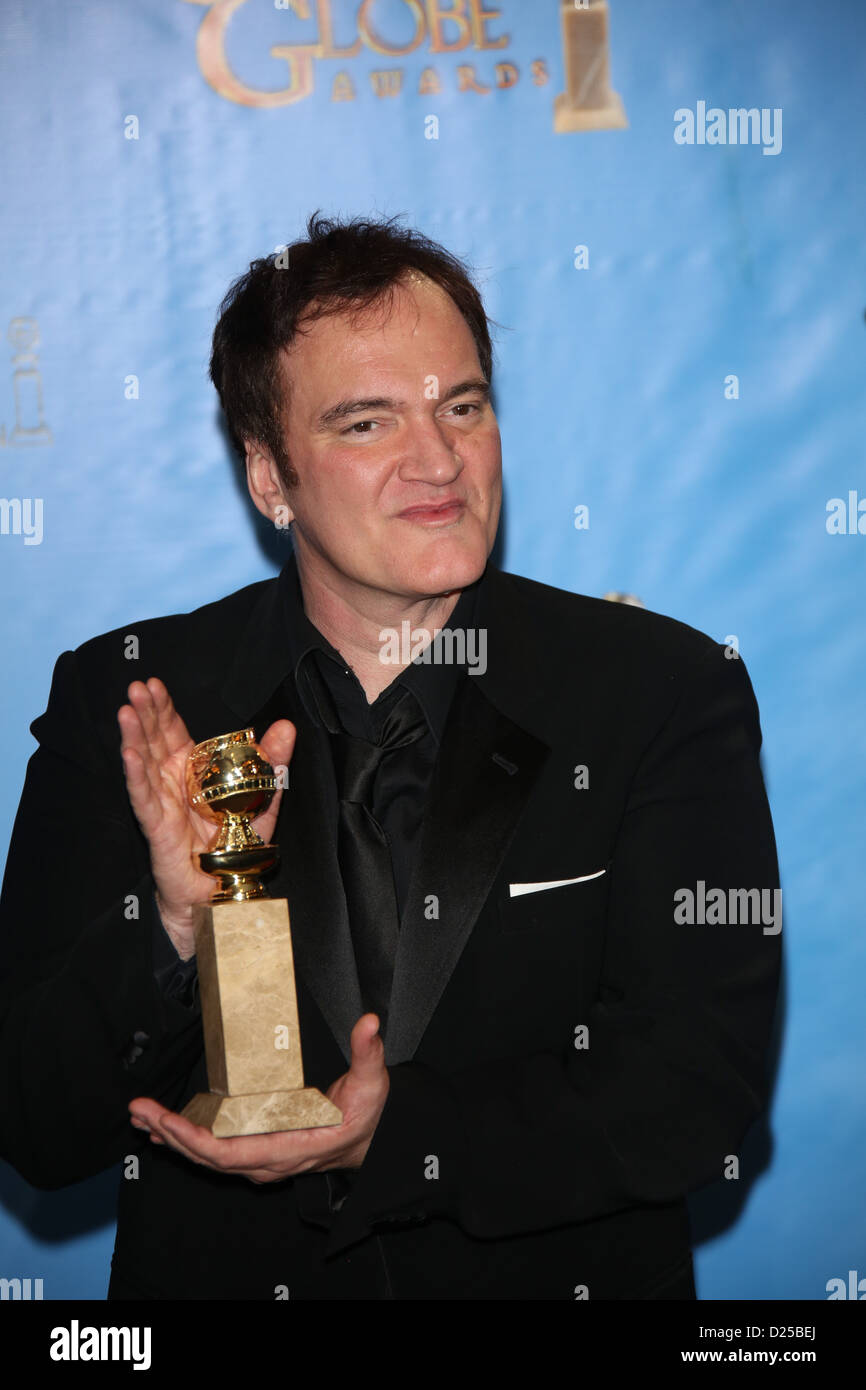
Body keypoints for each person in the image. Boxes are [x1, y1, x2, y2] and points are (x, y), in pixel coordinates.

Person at [0, 212, 781, 1300]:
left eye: (461, 405)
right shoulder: (136, 700)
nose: (437, 459)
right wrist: (172, 926)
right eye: (365, 423)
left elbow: (700, 1089)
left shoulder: (657, 690)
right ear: (269, 476)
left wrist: (398, 1135)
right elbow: (35, 1121)